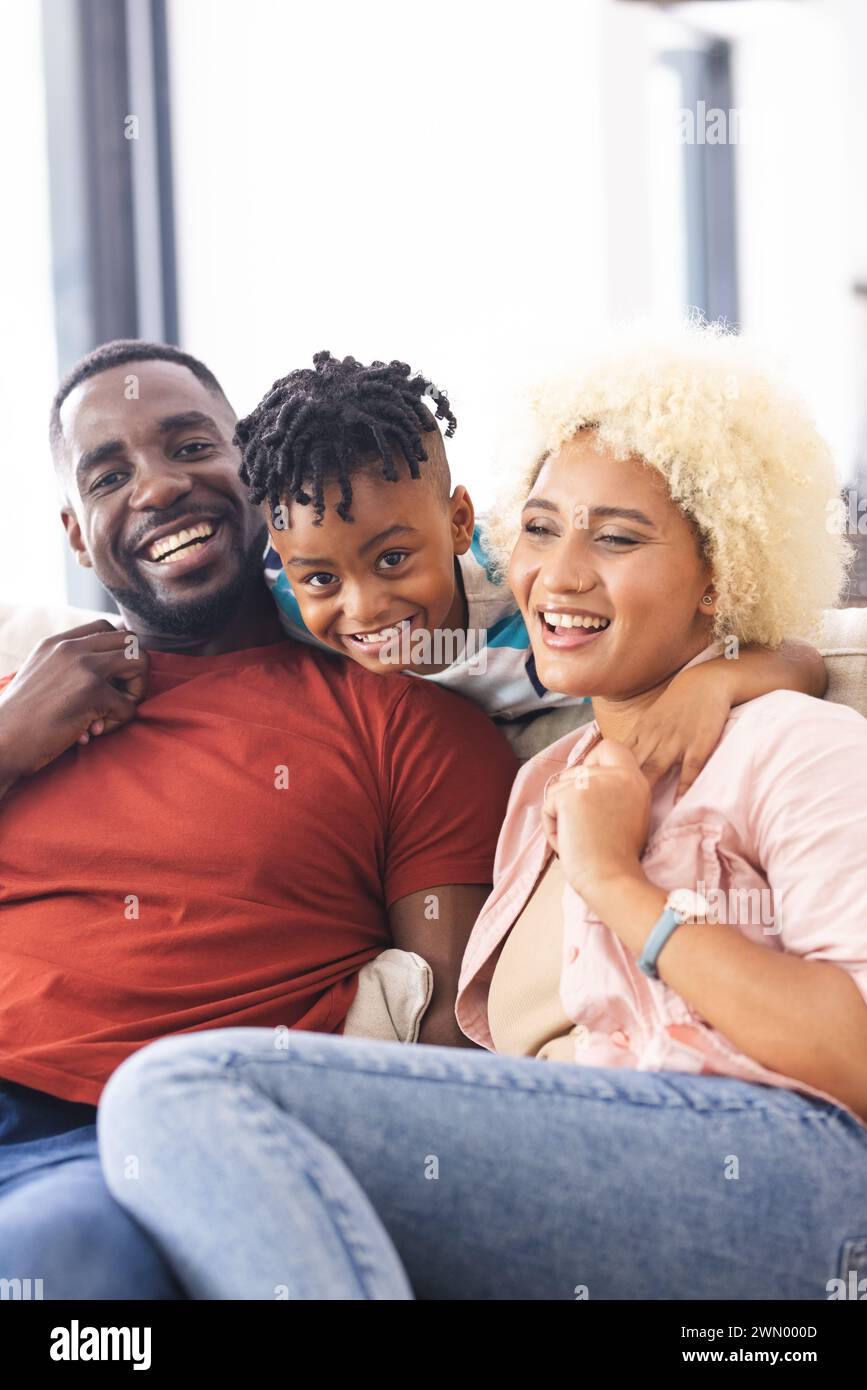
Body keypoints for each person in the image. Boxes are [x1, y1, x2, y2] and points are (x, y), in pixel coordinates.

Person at [99, 322, 867, 1300]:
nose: (561, 572)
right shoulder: (544, 781)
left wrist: (621, 887)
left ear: (722, 570)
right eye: (541, 528)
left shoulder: (793, 742)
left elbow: (857, 1055)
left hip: (785, 1178)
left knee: (179, 1090)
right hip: (600, 1169)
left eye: (618, 537)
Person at [0, 339, 516, 1300]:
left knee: (57, 1267)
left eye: (190, 445)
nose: (157, 488)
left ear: (258, 476)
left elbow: (450, 1065)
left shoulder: (406, 724)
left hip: (123, 1147)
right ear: (77, 535)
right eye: (109, 474)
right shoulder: (24, 707)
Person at [248, 349, 826, 790]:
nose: (364, 606)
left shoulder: (536, 600)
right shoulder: (284, 586)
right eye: (323, 579)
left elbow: (799, 655)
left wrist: (713, 682)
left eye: (393, 560)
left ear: (458, 524)